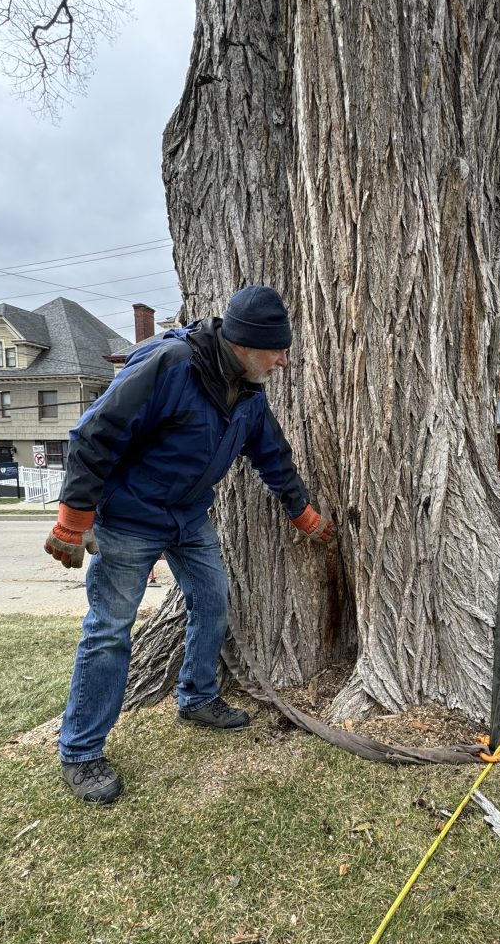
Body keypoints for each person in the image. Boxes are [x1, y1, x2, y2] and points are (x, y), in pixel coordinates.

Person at [45, 285, 334, 804]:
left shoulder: (249, 391)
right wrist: (72, 521)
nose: (285, 361)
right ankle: (81, 751)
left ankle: (197, 697)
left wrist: (303, 513)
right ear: (246, 344)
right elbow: (94, 435)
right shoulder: (170, 365)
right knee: (109, 630)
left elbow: (273, 454)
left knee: (213, 600)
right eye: (278, 350)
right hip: (130, 519)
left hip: (188, 519)